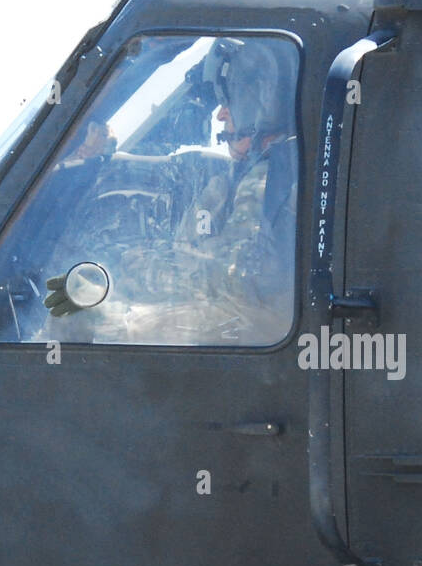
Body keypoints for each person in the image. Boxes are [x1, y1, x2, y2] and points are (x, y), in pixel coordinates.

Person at [44, 36, 298, 345]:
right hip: (230, 324)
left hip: (253, 337)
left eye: (228, 101)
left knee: (82, 327)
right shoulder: (233, 180)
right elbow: (192, 259)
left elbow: (240, 281)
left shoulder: (279, 181)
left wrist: (117, 293)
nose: (220, 114)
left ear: (259, 104)